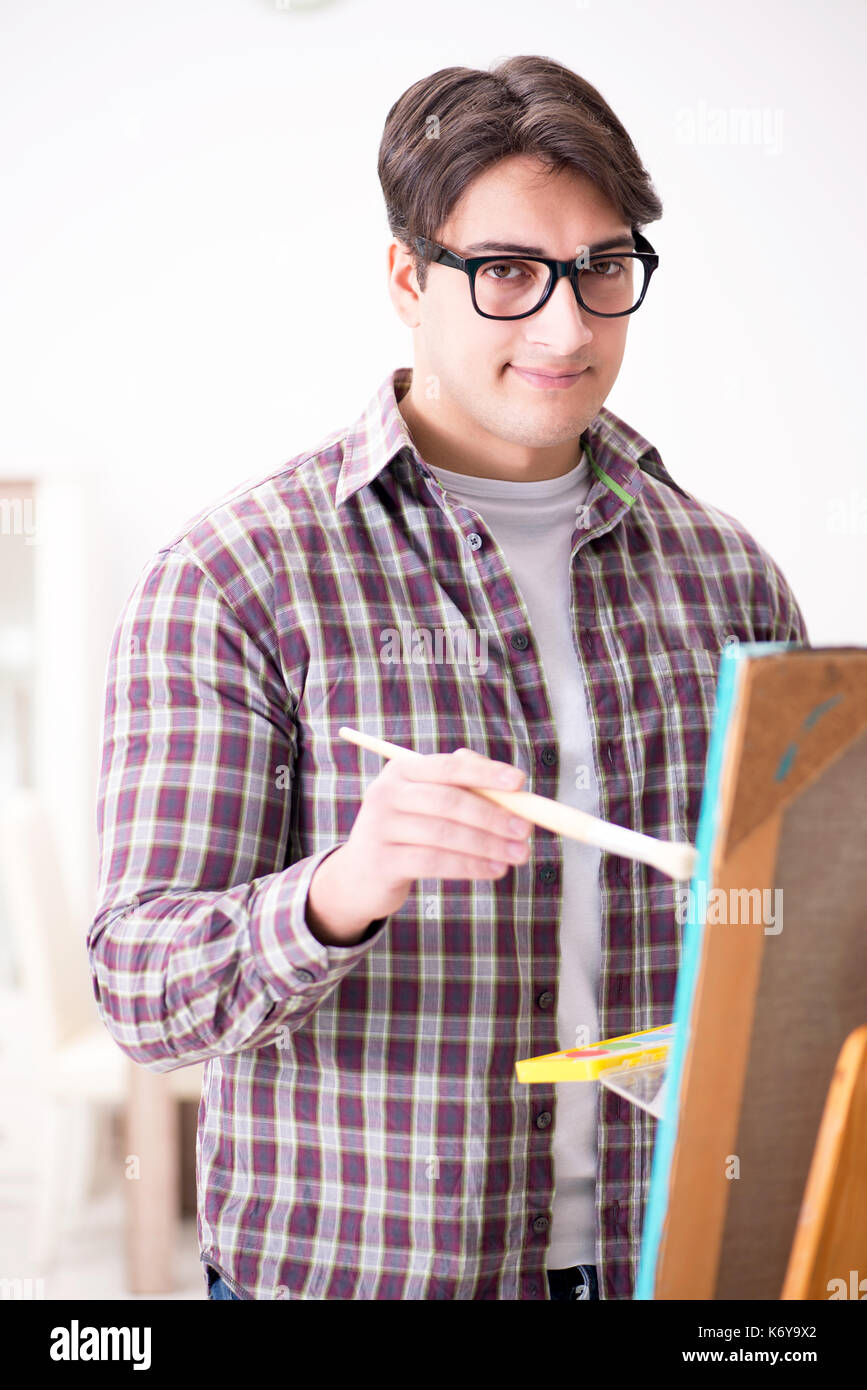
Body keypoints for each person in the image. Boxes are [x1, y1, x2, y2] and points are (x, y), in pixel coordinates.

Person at [87, 54, 808, 1302]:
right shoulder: (239, 574)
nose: (568, 326)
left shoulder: (729, 575)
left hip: (680, 1261)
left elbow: (791, 932)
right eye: (509, 273)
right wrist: (342, 888)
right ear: (409, 279)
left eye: (603, 269)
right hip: (364, 1273)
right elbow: (143, 989)